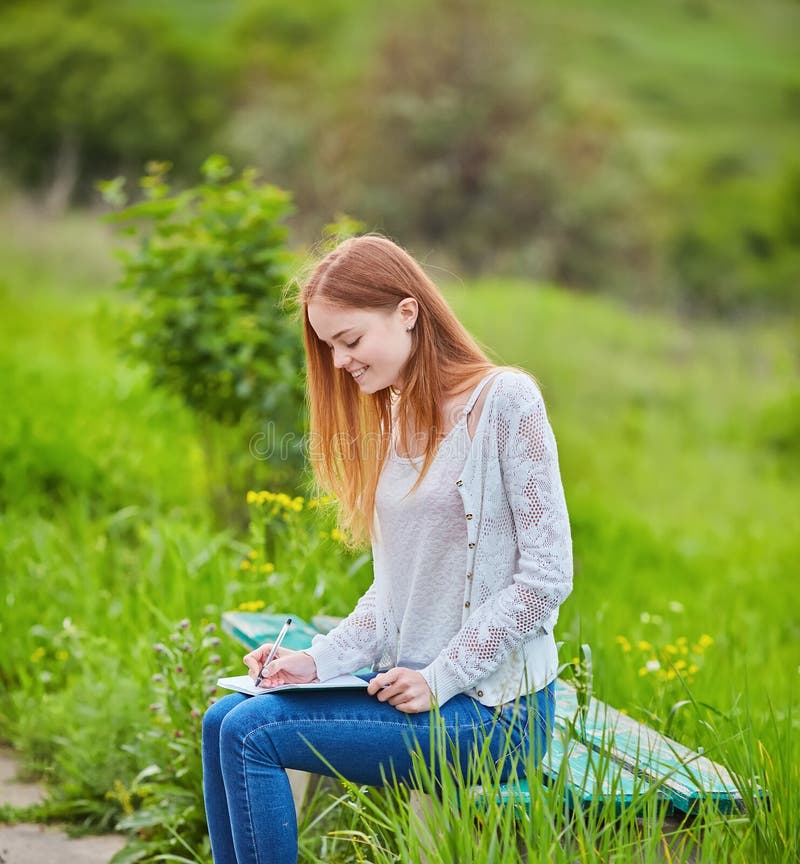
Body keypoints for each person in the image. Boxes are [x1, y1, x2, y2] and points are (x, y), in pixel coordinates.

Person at [202, 234, 573, 864]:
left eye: (350, 340)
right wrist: (315, 663)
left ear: (408, 311)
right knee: (224, 720)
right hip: (411, 692)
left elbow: (546, 578)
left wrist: (441, 676)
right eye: (328, 347)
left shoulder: (505, 402)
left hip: (493, 711)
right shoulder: (394, 414)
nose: (340, 361)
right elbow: (393, 595)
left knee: (252, 732)